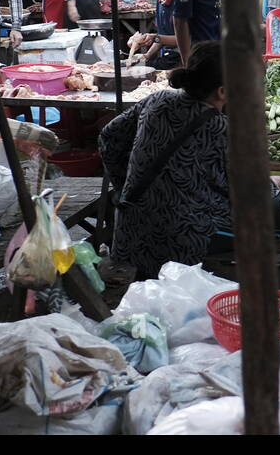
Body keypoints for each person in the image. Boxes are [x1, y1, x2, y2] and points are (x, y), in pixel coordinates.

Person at [99, 43, 240, 280]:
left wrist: (127, 186)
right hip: (184, 244)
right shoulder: (222, 129)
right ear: (223, 91)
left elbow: (109, 138)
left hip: (131, 229)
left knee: (144, 302)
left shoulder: (157, 100)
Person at [127, 0, 181, 69]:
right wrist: (147, 55)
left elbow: (183, 38)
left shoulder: (180, 1)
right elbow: (161, 36)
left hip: (182, 57)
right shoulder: (159, 0)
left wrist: (154, 37)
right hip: (167, 56)